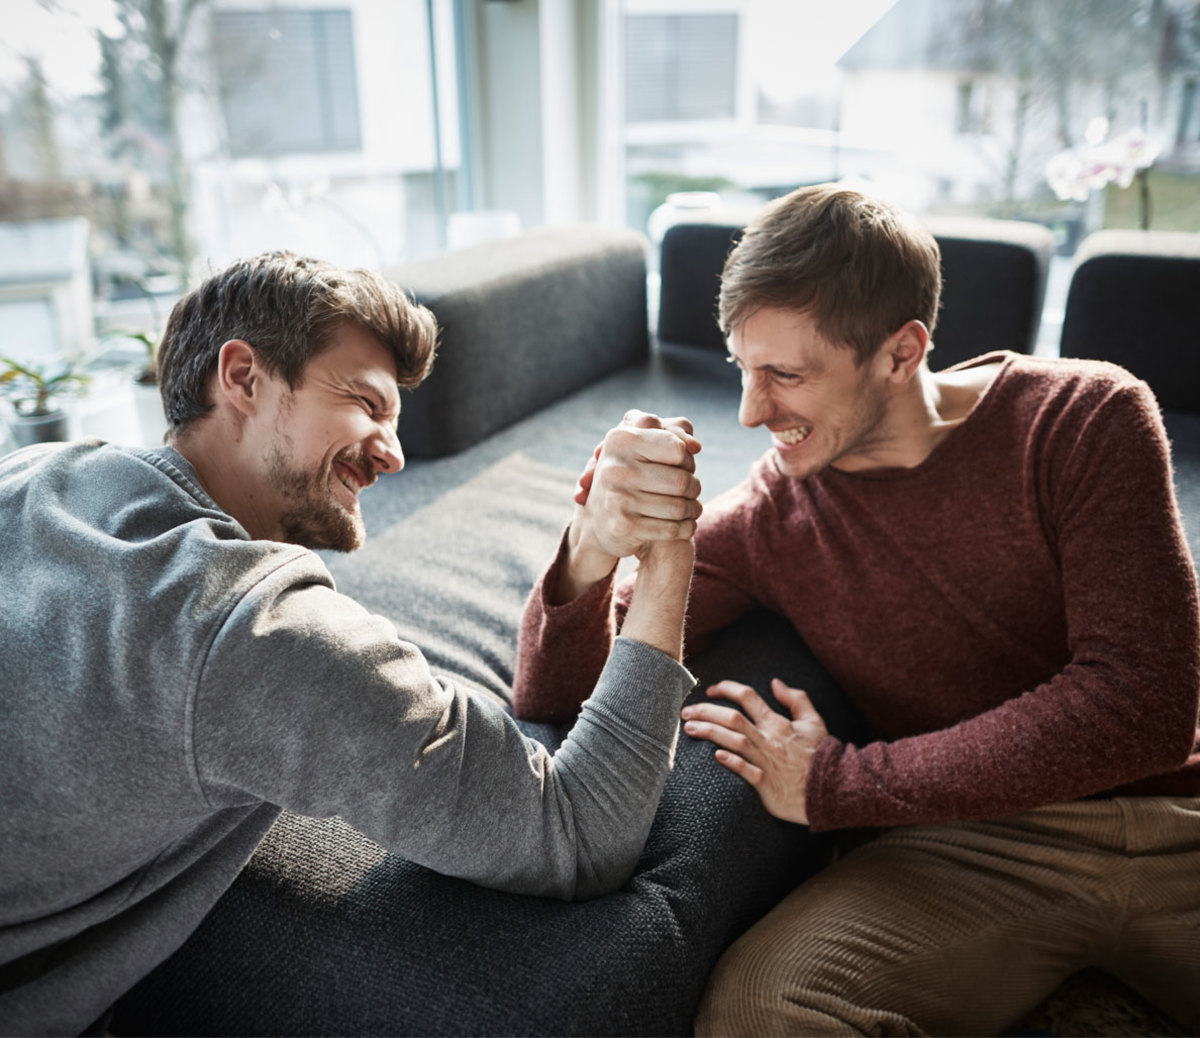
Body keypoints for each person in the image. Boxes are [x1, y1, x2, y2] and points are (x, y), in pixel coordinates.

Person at [512, 184, 1200, 1035]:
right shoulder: (773, 516)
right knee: (760, 1011)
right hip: (971, 846)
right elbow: (558, 699)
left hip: (1181, 824)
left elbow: (1145, 709)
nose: (751, 411)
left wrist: (842, 785)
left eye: (786, 375)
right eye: (743, 368)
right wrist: (591, 543)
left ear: (902, 351)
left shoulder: (1086, 416)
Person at [0, 251, 698, 1036]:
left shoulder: (34, 472)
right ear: (243, 377)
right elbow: (579, 831)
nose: (392, 453)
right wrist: (668, 551)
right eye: (365, 403)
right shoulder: (256, 633)